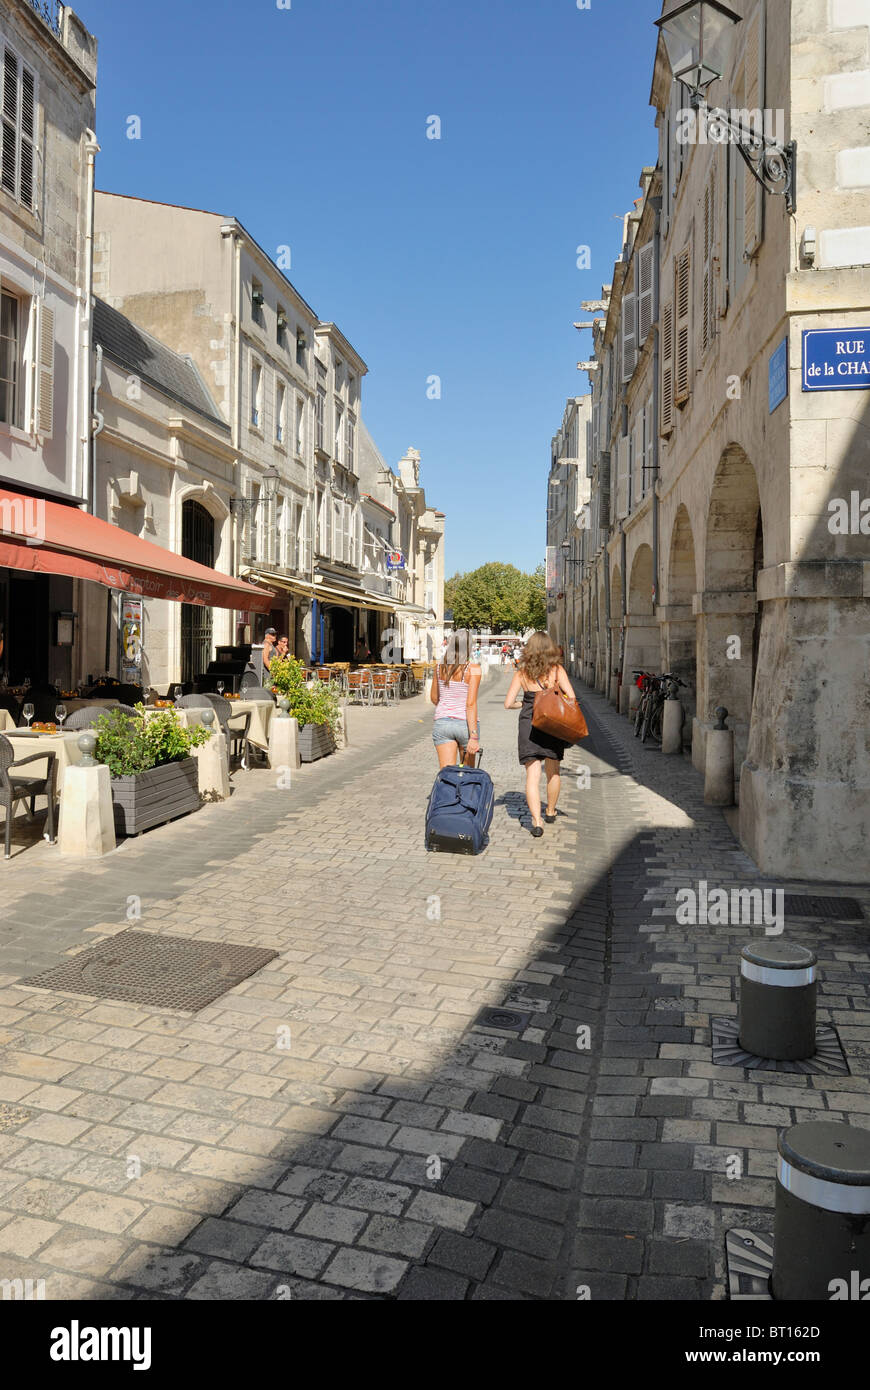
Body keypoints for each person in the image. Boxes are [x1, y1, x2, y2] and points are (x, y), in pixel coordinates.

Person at [504, 630, 577, 838]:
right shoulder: (557, 671)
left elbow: (508, 703)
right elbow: (571, 698)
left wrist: (524, 703)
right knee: (553, 770)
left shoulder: (522, 673)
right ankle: (551, 810)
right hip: (552, 724)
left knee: (532, 775)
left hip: (529, 723)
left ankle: (536, 821)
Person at [430, 628, 481, 769]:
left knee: (447, 776)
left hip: (443, 723)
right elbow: (470, 704)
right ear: (469, 646)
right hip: (465, 725)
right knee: (466, 776)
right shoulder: (473, 669)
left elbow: (434, 698)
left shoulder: (439, 667)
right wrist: (474, 735)